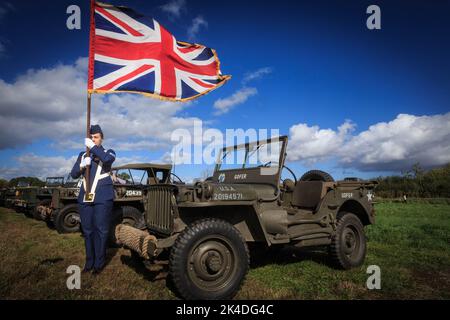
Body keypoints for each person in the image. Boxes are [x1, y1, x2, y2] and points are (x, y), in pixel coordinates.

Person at [70, 124, 116, 275]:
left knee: (101, 230)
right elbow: (74, 174)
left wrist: (93, 148)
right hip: (85, 196)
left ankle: (99, 264)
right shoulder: (82, 155)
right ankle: (89, 262)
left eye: (96, 137)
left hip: (103, 196)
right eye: (91, 137)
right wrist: (82, 165)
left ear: (101, 138)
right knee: (88, 231)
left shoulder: (108, 152)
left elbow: (107, 160)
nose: (93, 139)